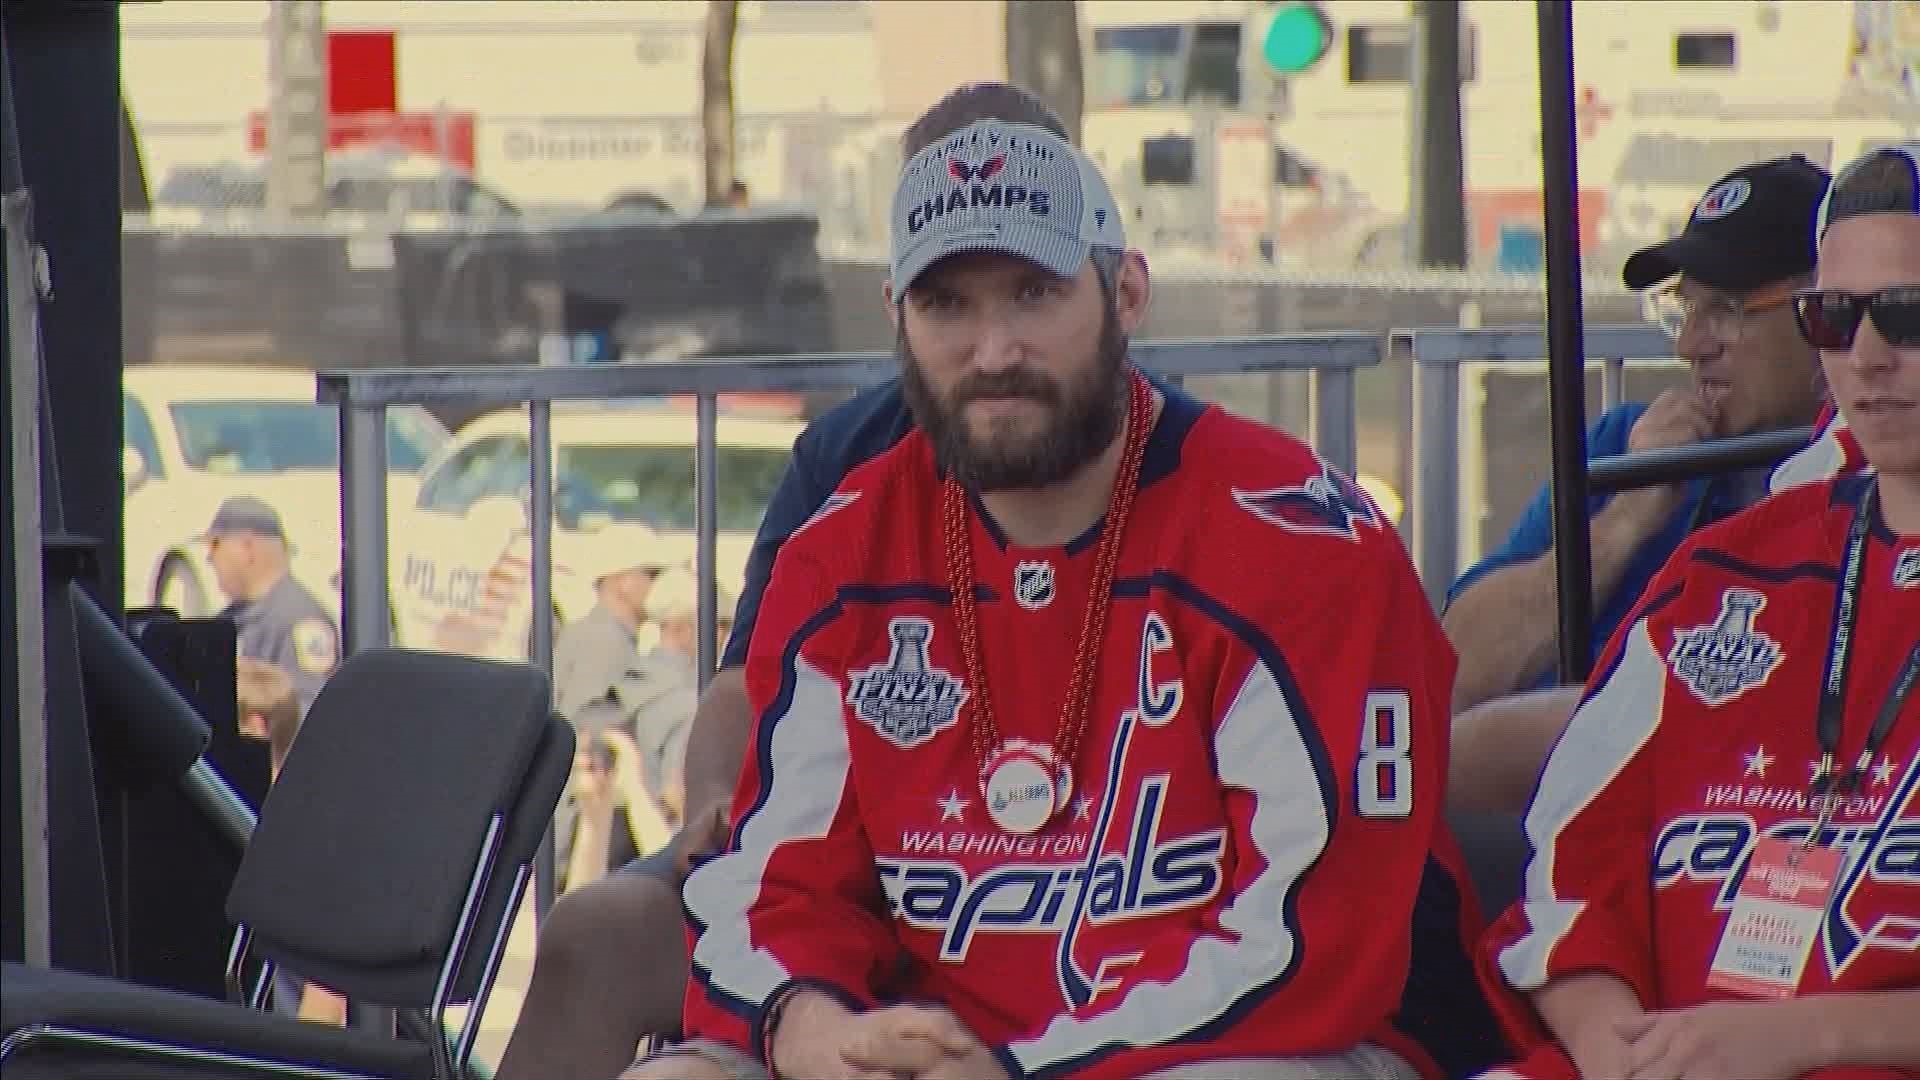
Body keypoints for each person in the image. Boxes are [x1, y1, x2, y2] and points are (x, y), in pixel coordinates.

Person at [496, 83, 1502, 1080]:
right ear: (899, 320)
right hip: (941, 1041)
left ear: (1127, 294)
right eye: (948, 304)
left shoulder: (1300, 538)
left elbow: (1310, 949)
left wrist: (1022, 1067)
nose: (993, 350)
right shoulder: (842, 552)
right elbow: (782, 887)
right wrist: (807, 1027)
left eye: (1034, 291)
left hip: (1265, 1041)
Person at [1474, 142, 1920, 1080]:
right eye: (1834, 318)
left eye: (1908, 315)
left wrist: (1806, 1034)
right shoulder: (1717, 567)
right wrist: (1616, 1050)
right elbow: (1568, 876)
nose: (1868, 354)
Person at [1445, 156, 1832, 712]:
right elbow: (1453, 672)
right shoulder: (1628, 445)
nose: (1691, 345)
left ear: (1821, 311)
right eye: (1684, 308)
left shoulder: (1869, 469)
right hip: (1565, 778)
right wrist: (1631, 513)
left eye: (1727, 310)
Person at [204, 495, 339, 715]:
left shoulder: (301, 620)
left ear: (247, 548)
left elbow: (305, 714)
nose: (209, 558)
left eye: (215, 544)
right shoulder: (230, 618)